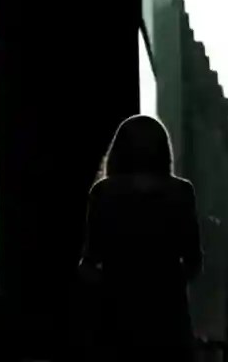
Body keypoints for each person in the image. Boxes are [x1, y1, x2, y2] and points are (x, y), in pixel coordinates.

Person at [78, 114, 203, 362]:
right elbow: (193, 262)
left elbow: (89, 264)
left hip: (116, 319)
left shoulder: (103, 193)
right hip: (168, 319)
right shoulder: (181, 192)